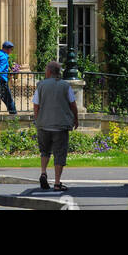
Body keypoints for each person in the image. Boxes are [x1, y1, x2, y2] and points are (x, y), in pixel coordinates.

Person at [32, 59, 78, 191]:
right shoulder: (65, 86)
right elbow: (73, 104)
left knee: (44, 151)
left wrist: (38, 119)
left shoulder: (41, 86)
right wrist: (76, 119)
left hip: (44, 124)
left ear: (49, 71)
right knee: (59, 154)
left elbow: (36, 105)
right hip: (60, 125)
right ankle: (57, 183)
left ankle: (43, 172)